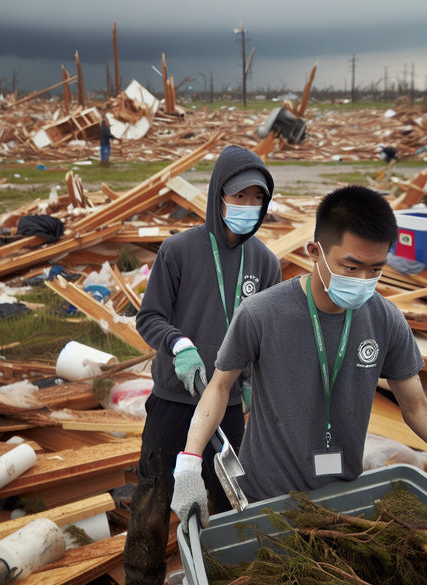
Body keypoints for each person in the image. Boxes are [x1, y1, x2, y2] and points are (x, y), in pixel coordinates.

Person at [171, 185, 427, 530]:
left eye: (376, 270)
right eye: (351, 267)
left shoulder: (384, 319)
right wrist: (188, 465)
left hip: (341, 498)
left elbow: (418, 408)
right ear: (314, 251)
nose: (363, 280)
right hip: (263, 497)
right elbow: (220, 388)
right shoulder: (261, 313)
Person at [124, 145, 281, 585]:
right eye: (240, 196)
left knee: (224, 499)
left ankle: (217, 575)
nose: (248, 207)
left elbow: (263, 335)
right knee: (154, 496)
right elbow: (149, 317)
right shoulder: (178, 251)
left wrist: (250, 383)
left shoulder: (266, 263)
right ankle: (142, 577)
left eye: (257, 199)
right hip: (174, 400)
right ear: (218, 195)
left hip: (227, 407)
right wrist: (177, 345)